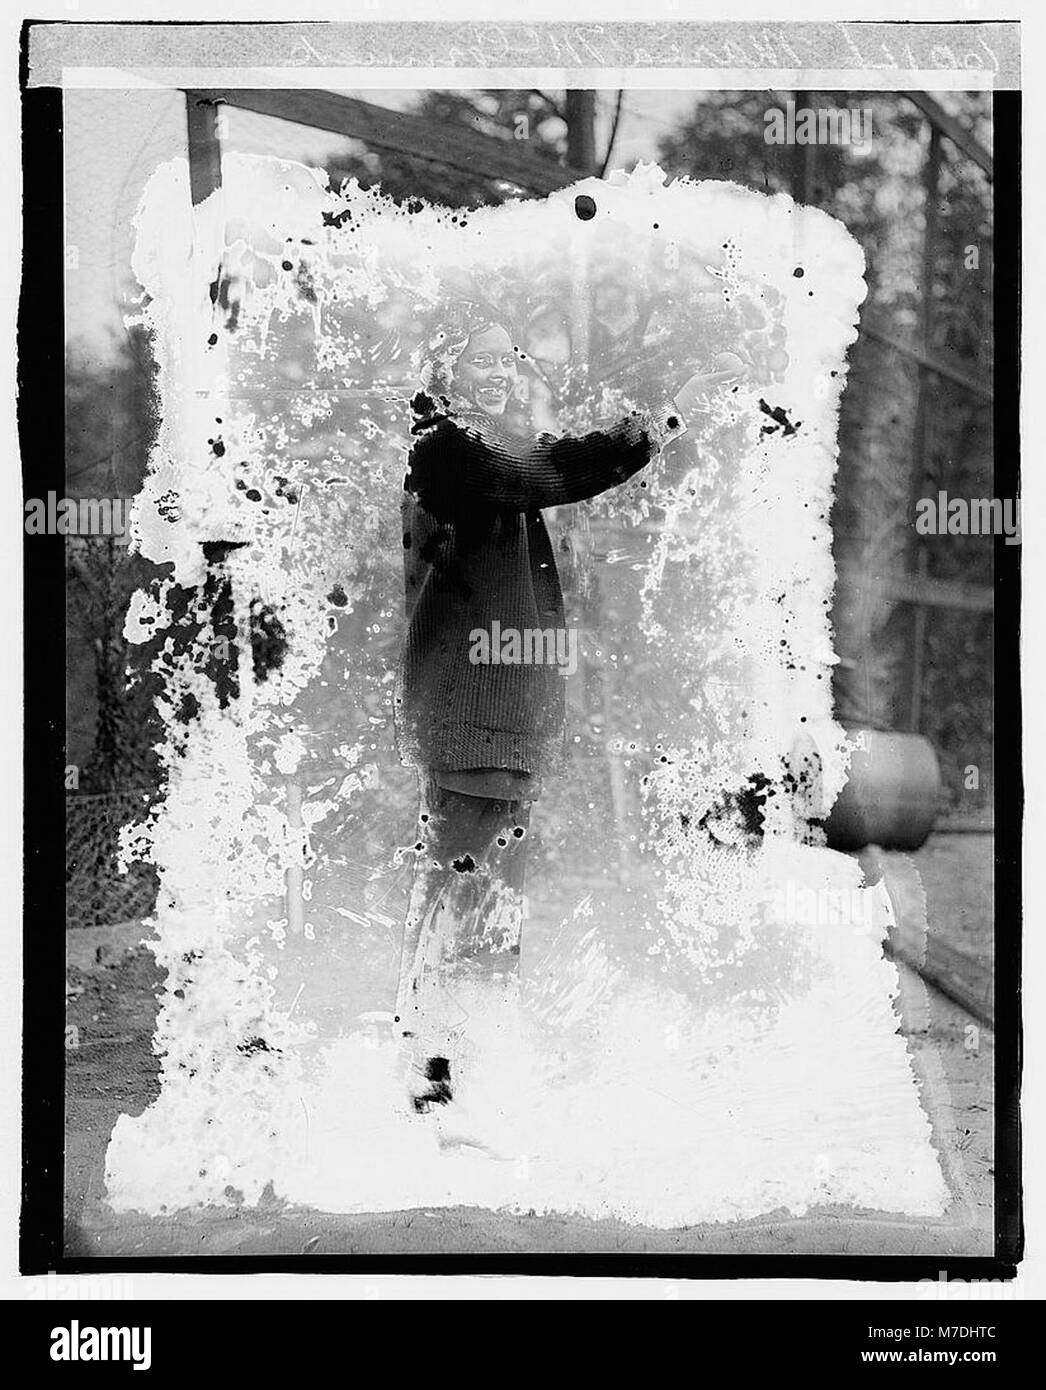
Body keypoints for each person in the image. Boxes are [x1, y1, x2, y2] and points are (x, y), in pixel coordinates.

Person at [393, 318, 742, 1123]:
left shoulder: (484, 457)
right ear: (443, 372)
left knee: (484, 910)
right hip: (469, 726)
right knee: (463, 907)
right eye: (478, 360)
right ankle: (435, 1093)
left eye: (507, 360)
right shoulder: (446, 450)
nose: (499, 373)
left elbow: (545, 479)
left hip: (499, 730)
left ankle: (455, 1086)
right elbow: (548, 472)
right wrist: (667, 415)